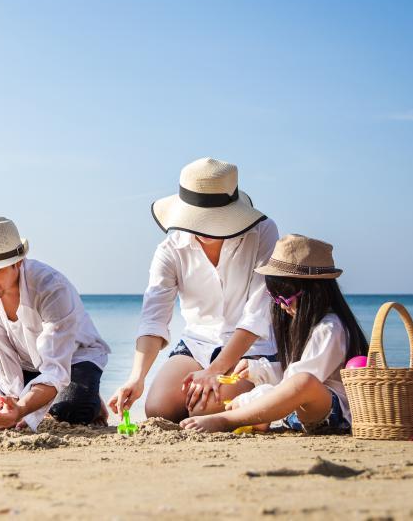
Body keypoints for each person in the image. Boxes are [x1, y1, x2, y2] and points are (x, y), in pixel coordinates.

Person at [109, 157, 279, 422]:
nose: (207, 227)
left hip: (250, 348)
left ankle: (262, 400)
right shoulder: (170, 250)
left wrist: (216, 369)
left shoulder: (263, 233)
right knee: (159, 411)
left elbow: (258, 313)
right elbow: (154, 319)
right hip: (198, 343)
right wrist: (136, 378)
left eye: (216, 219)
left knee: (205, 408)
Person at [181, 234, 369, 433]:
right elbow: (292, 370)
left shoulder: (330, 329)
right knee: (287, 383)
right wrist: (257, 369)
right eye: (275, 298)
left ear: (315, 292)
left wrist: (251, 398)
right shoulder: (305, 325)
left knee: (303, 382)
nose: (282, 307)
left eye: (286, 299)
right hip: (300, 411)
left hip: (334, 414)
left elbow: (300, 382)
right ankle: (254, 417)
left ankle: (226, 420)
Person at [0, 215, 111, 430]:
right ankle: (55, 394)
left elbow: (55, 369)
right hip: (25, 361)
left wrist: (22, 409)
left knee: (69, 412)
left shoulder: (52, 288)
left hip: (73, 360)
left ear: (18, 262)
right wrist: (12, 404)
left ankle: (87, 394)